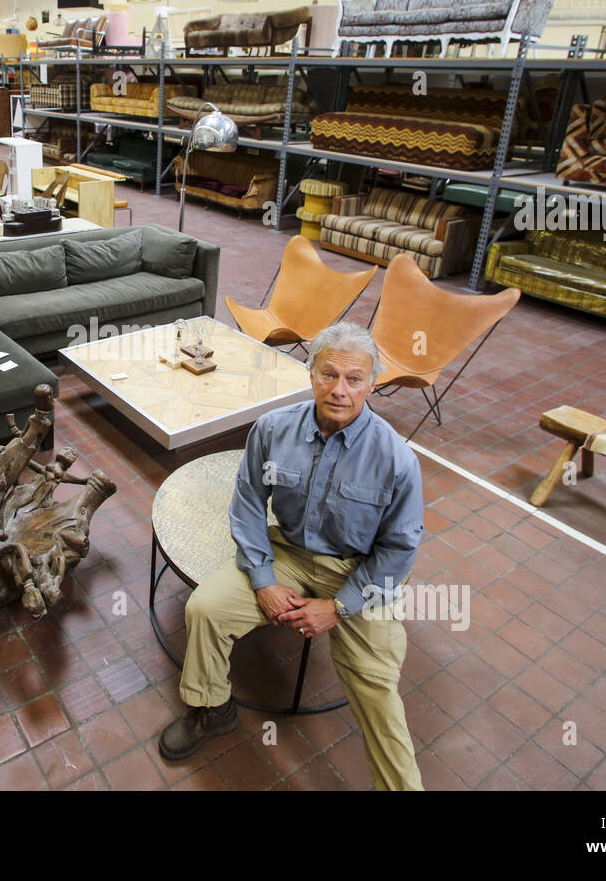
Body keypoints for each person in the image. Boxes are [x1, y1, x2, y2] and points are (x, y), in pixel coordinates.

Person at [158, 321, 425, 790]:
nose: (339, 390)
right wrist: (262, 578)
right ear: (311, 373)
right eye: (328, 374)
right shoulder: (273, 429)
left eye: (354, 378)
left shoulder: (396, 458)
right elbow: (245, 505)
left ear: (372, 384)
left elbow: (399, 548)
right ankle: (212, 707)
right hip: (288, 552)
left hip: (356, 571)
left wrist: (340, 607)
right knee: (204, 609)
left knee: (377, 685)